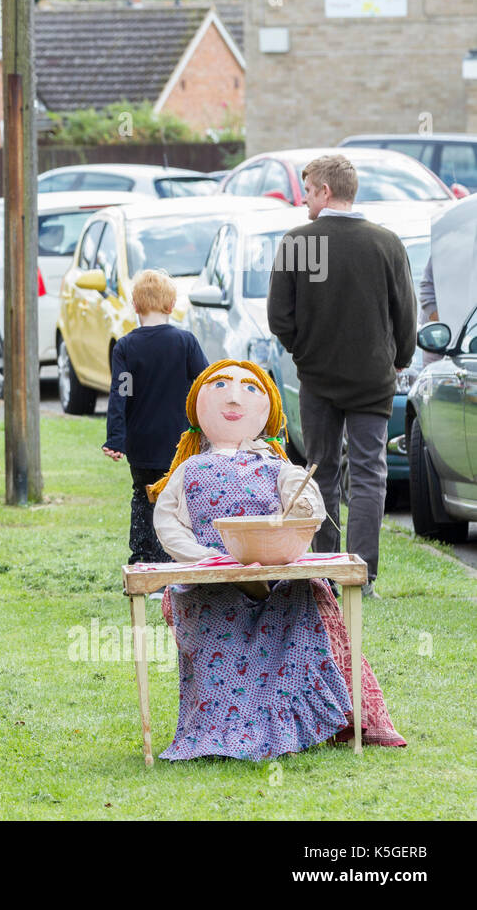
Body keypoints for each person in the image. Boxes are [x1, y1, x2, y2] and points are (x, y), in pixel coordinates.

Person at [149, 359, 405, 760]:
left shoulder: (278, 468)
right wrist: (208, 560)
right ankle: (221, 729)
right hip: (210, 581)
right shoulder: (188, 471)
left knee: (302, 599)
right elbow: (168, 524)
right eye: (220, 386)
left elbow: (306, 507)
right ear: (197, 402)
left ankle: (289, 721)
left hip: (279, 578)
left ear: (268, 407)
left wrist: (301, 507)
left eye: (250, 388)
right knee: (211, 610)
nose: (235, 397)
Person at [267, 154, 417, 599]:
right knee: (370, 473)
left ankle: (324, 570)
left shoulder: (298, 242)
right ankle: (362, 576)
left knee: (320, 472)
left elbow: (280, 318)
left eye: (308, 190)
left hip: (317, 379)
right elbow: (404, 313)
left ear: (326, 192)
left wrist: (304, 353)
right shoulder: (386, 243)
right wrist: (399, 358)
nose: (304, 200)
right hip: (374, 378)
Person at [102, 269, 208, 564]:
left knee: (143, 496)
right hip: (180, 441)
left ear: (135, 306)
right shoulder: (185, 343)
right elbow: (205, 385)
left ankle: (143, 558)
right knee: (178, 500)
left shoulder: (126, 347)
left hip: (142, 442)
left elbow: (119, 393)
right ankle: (177, 558)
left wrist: (116, 439)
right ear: (171, 306)